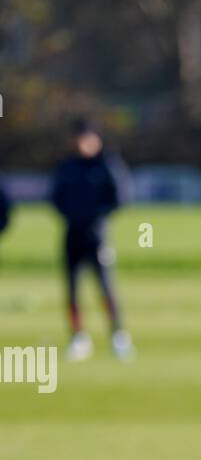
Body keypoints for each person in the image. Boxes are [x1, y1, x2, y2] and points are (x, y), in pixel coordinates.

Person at [50, 119, 133, 360]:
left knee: (106, 287)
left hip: (97, 236)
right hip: (72, 234)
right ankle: (78, 337)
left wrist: (96, 217)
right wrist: (72, 216)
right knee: (73, 289)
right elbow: (55, 197)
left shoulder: (107, 164)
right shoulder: (68, 166)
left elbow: (120, 197)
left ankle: (118, 335)